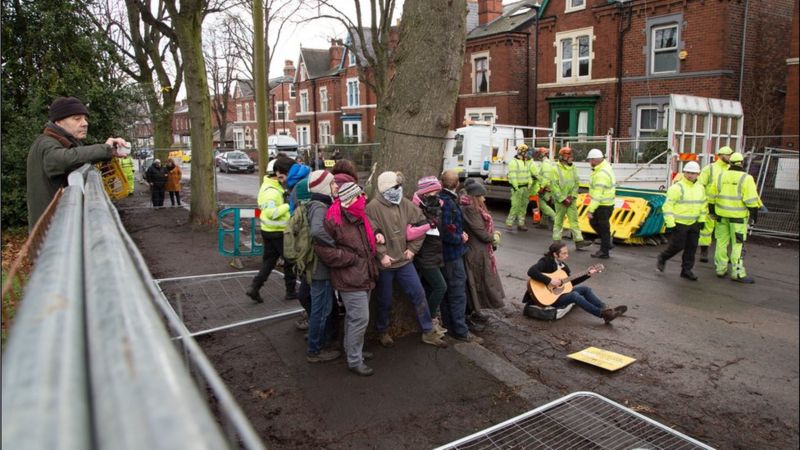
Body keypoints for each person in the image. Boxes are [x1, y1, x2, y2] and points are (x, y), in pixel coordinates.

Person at [366, 171, 448, 348]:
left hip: (405, 262)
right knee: (385, 300)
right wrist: (381, 254)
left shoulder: (406, 204)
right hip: (385, 265)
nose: (400, 190)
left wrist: (412, 250)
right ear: (386, 188)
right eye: (396, 187)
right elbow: (370, 233)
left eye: (400, 186)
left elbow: (422, 226)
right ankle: (383, 331)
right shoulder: (372, 207)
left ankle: (427, 331)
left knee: (419, 295)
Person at [26, 96, 128, 228]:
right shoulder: (47, 143)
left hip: (56, 229)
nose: (85, 123)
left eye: (85, 118)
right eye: (77, 118)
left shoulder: (58, 141)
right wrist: (105, 149)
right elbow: (65, 159)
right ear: (58, 122)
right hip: (52, 235)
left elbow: (73, 155)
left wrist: (109, 151)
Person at [315, 182, 380, 376]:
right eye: (361, 196)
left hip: (363, 274)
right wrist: (351, 259)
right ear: (352, 199)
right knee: (360, 319)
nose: (364, 199)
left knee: (355, 318)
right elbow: (322, 249)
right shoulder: (334, 219)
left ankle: (353, 351)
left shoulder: (358, 216)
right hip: (350, 277)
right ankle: (354, 360)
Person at [526, 242, 627, 323]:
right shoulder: (545, 261)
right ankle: (602, 314)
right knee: (574, 295)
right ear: (555, 254)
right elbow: (531, 271)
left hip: (557, 294)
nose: (567, 255)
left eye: (567, 253)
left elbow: (570, 283)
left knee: (585, 289)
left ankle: (607, 309)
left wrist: (587, 274)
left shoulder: (564, 267)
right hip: (545, 297)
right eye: (564, 253)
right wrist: (550, 280)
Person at [246, 156, 298, 303]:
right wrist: (288, 205)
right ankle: (291, 291)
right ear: (276, 174)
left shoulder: (272, 186)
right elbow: (271, 213)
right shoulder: (271, 191)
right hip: (278, 232)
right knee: (290, 261)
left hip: (269, 231)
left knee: (269, 262)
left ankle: (255, 287)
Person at [439, 170, 483, 344]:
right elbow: (447, 230)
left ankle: (450, 326)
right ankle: (460, 331)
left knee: (447, 292)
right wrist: (460, 237)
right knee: (457, 292)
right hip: (452, 254)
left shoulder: (442, 198)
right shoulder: (448, 202)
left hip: (444, 254)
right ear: (457, 183)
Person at [304, 169, 341, 362]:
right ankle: (315, 350)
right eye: (333, 183)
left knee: (322, 306)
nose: (336, 186)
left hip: (319, 266)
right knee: (322, 308)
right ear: (323, 186)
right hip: (320, 268)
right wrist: (336, 245)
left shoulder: (319, 203)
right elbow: (317, 231)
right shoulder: (320, 206)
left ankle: (318, 342)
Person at [710, 152, 763, 283]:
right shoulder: (747, 178)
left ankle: (720, 269)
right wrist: (754, 216)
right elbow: (751, 200)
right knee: (737, 245)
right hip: (738, 219)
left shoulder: (720, 176)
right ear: (742, 163)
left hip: (721, 216)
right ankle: (738, 273)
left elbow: (711, 197)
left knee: (721, 243)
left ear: (730, 163)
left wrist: (712, 212)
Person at [460, 179, 505, 317]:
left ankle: (475, 310)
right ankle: (471, 313)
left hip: (480, 251)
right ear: (475, 196)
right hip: (476, 252)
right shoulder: (470, 209)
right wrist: (494, 236)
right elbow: (481, 233)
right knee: (477, 284)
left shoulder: (472, 207)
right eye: (482, 196)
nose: (484, 199)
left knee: (479, 283)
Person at [410, 176, 448, 336]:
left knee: (430, 288)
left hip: (435, 253)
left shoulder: (435, 205)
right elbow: (410, 232)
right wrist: (428, 224)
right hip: (425, 255)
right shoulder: (416, 208)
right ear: (426, 192)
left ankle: (430, 321)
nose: (437, 195)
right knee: (441, 287)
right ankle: (430, 320)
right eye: (434, 191)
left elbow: (439, 230)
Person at [657, 161, 707, 280]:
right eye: (688, 172)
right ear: (684, 172)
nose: (690, 175)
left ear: (698, 174)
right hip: (679, 223)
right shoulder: (677, 188)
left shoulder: (700, 188)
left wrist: (702, 219)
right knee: (677, 246)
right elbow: (667, 206)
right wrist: (670, 223)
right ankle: (663, 257)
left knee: (692, 248)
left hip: (694, 223)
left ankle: (686, 270)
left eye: (693, 173)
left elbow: (703, 205)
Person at [697, 146, 733, 262]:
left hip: (724, 204)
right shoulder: (710, 168)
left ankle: (722, 254)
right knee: (706, 229)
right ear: (721, 155)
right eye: (728, 155)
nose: (730, 157)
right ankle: (704, 252)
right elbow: (701, 185)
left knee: (723, 231)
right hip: (709, 204)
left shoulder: (731, 169)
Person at [551, 147, 591, 250]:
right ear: (563, 157)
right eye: (569, 156)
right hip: (561, 201)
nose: (571, 158)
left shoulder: (573, 168)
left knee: (574, 220)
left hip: (571, 200)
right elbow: (554, 187)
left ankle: (579, 241)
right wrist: (563, 199)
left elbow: (576, 183)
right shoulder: (555, 169)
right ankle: (556, 242)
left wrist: (572, 196)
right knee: (559, 221)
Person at [586, 148, 616, 259]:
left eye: (590, 160)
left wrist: (590, 210)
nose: (589, 163)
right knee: (597, 224)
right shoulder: (604, 167)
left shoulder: (601, 174)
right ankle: (607, 243)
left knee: (602, 227)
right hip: (606, 204)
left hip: (603, 205)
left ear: (594, 160)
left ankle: (604, 251)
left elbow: (598, 195)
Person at [505, 143, 532, 232]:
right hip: (518, 188)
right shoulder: (514, 162)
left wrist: (529, 183)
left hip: (525, 188)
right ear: (521, 152)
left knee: (523, 206)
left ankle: (521, 224)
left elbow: (528, 173)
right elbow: (513, 176)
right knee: (515, 206)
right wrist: (516, 187)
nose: (527, 154)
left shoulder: (525, 162)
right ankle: (509, 223)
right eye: (526, 152)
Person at [530, 147, 556, 230]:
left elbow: (546, 177)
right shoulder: (545, 163)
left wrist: (541, 187)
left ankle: (557, 221)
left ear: (543, 154)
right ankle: (543, 223)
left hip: (545, 188)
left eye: (539, 153)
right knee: (546, 205)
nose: (538, 155)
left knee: (543, 206)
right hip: (547, 187)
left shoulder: (545, 164)